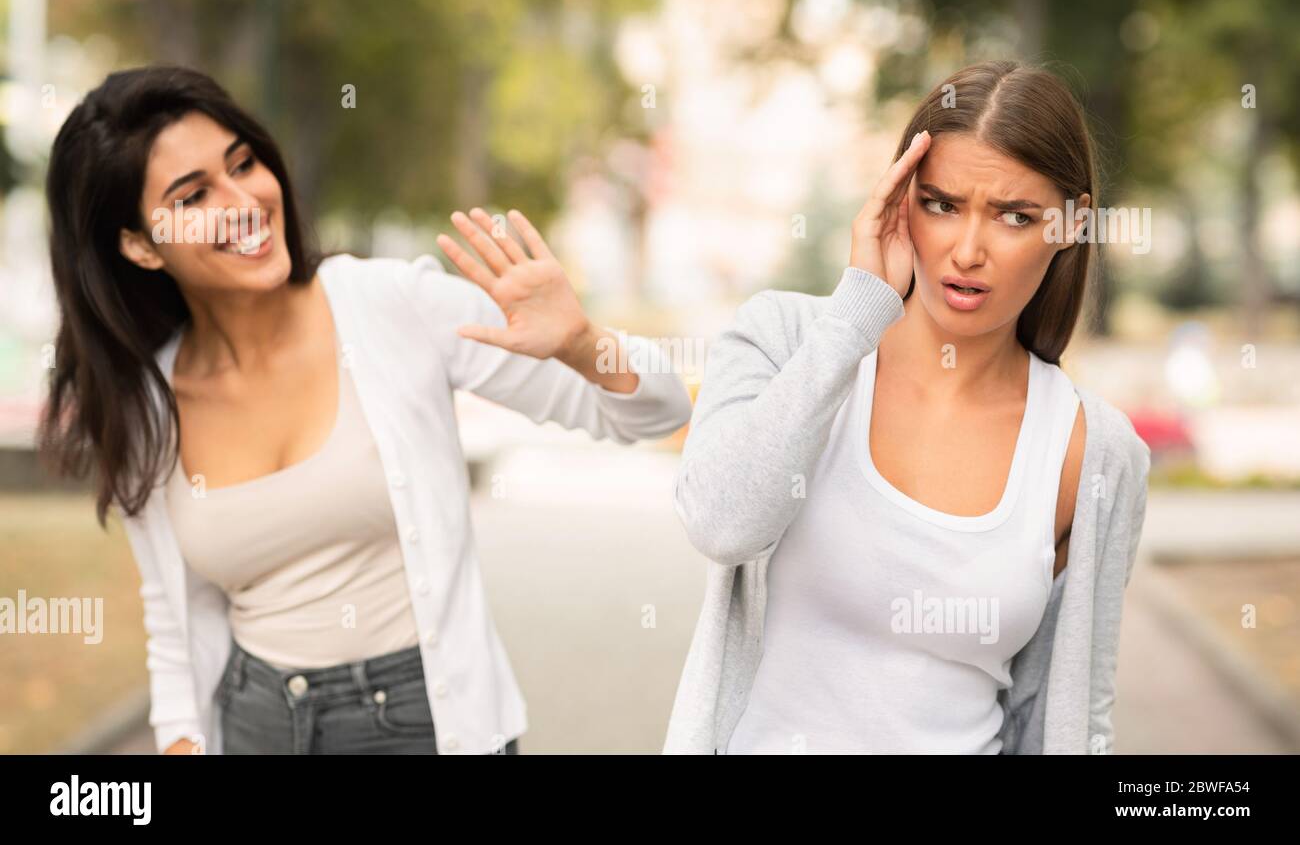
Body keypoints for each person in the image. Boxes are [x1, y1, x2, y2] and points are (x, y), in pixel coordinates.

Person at [39, 65, 692, 755]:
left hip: (423, 724)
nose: (244, 200)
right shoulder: (145, 406)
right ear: (139, 244)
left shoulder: (392, 305)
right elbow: (177, 618)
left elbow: (652, 413)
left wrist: (586, 345)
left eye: (244, 163)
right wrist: (181, 743)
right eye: (195, 194)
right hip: (255, 724)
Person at [665, 60, 1151, 755]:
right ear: (898, 198)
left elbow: (1066, 716)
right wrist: (858, 313)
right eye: (942, 204)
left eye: (1016, 216)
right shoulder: (785, 340)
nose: (968, 249)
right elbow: (718, 522)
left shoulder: (1093, 450)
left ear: (1072, 225)